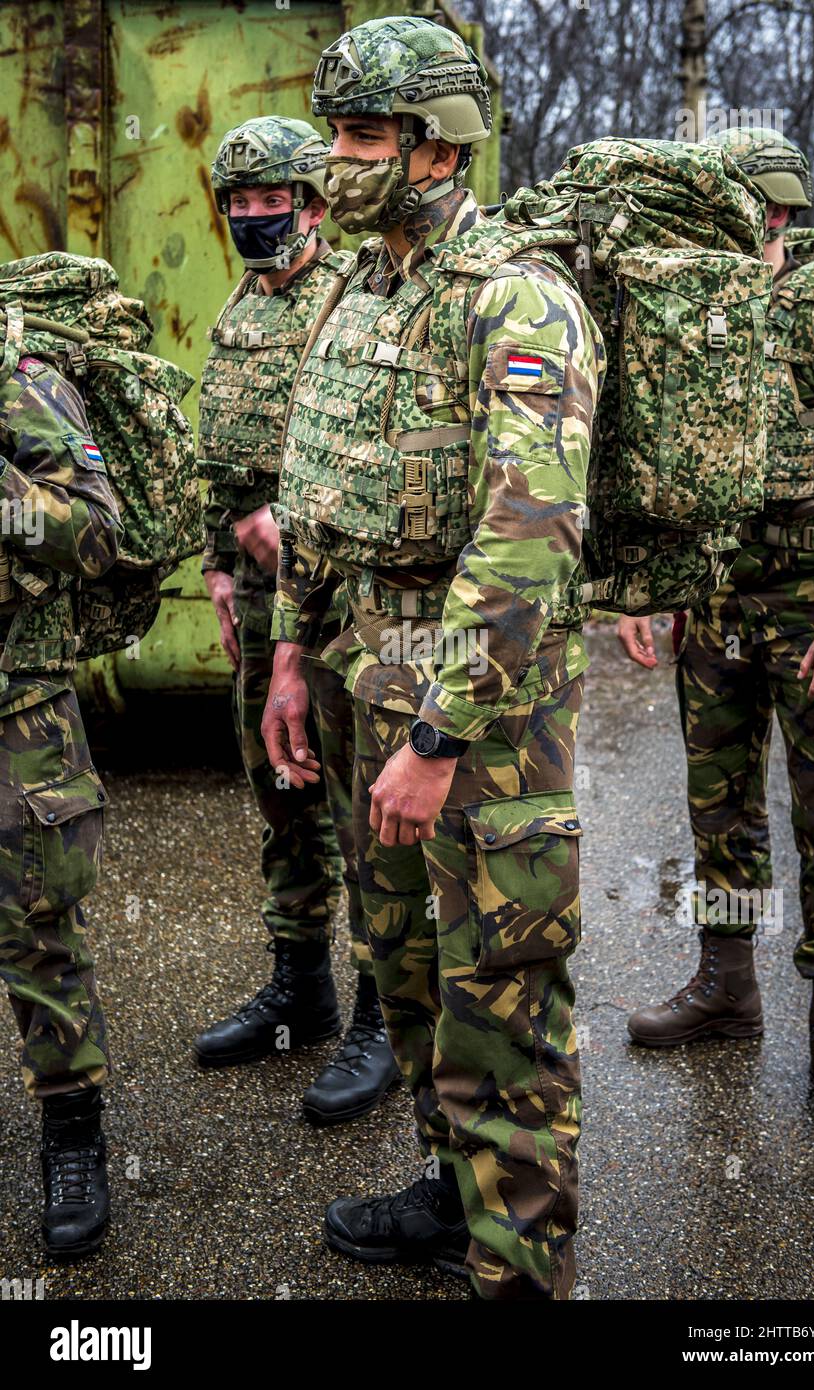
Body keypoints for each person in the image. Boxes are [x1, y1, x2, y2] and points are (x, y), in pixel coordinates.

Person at [262, 15, 604, 1300]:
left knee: (500, 1001)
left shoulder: (517, 298)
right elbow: (322, 483)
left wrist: (437, 735)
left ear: (436, 148)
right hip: (367, 683)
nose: (334, 161)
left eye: (360, 137)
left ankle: (516, 1264)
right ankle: (448, 1188)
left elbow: (529, 535)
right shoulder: (365, 284)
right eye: (336, 130)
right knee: (403, 969)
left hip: (483, 720)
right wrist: (297, 650)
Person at [619, 128, 814, 1129]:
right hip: (714, 617)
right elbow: (668, 472)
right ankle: (728, 984)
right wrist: (655, 591)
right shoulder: (697, 325)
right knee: (719, 812)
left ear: (767, 216)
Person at [195, 115, 398, 1124]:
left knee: (360, 807)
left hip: (335, 600)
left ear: (314, 207)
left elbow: (367, 452)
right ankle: (300, 986)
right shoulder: (239, 307)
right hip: (262, 588)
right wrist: (220, 564)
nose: (251, 218)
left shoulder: (349, 305)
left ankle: (381, 1010)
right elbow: (221, 449)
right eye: (238, 203)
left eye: (270, 202)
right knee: (280, 796)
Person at [0, 327, 121, 1254]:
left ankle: (73, 1134)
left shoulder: (23, 383)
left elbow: (94, 535)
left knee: (37, 937)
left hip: (16, 713)